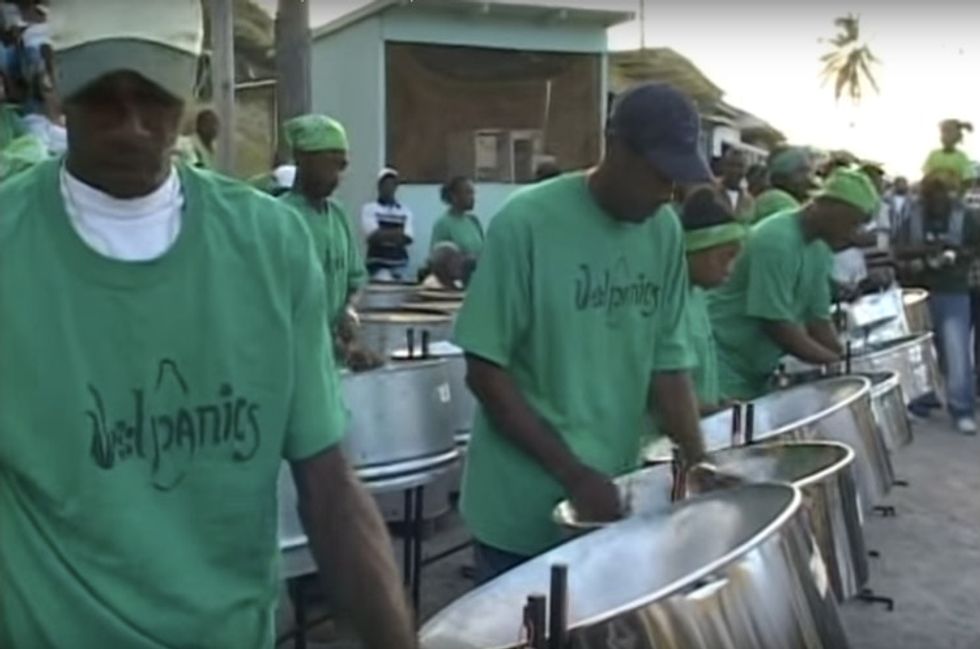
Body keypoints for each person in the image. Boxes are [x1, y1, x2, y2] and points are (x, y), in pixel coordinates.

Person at [0, 1, 416, 647]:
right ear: (54, 74)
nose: (131, 125)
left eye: (153, 95)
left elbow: (329, 485)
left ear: (194, 81)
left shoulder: (269, 246)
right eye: (102, 96)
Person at [455, 82, 713, 583]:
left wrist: (701, 466)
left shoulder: (664, 231)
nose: (667, 193)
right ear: (614, 146)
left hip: (607, 503)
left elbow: (668, 365)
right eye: (659, 175)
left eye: (676, 180)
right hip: (522, 509)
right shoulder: (526, 223)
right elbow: (485, 370)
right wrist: (571, 472)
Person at [709, 168, 880, 400]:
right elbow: (776, 324)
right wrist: (834, 362)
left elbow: (818, 320)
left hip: (754, 369)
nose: (853, 234)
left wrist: (848, 359)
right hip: (721, 362)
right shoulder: (776, 241)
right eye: (851, 223)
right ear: (829, 208)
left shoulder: (820, 249)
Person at [893, 175, 979, 434]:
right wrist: (928, 250)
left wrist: (956, 253)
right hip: (918, 290)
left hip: (954, 289)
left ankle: (962, 409)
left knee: (956, 350)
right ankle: (923, 401)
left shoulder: (965, 216)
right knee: (919, 352)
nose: (936, 202)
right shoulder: (912, 216)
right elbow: (898, 250)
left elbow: (976, 246)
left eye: (941, 196)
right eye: (930, 197)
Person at [279, 114, 368, 334]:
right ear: (301, 159)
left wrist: (349, 310)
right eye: (328, 165)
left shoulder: (338, 215)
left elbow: (356, 280)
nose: (335, 176)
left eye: (341, 166)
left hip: (333, 350)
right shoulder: (278, 217)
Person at [679, 187, 745, 412]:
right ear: (697, 249)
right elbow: (661, 389)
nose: (731, 269)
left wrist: (720, 402)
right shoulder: (665, 302)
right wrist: (710, 412)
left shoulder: (698, 295)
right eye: (726, 257)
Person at [361, 167, 414, 281]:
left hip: (401, 265)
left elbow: (408, 238)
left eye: (392, 184)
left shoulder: (405, 211)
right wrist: (397, 233)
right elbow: (373, 236)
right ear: (379, 186)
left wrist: (384, 233)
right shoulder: (369, 209)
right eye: (385, 184)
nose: (389, 187)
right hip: (377, 265)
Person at [751, 146, 815, 223]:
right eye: (800, 172)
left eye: (809, 172)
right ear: (779, 178)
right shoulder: (775, 199)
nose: (808, 178)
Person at [431, 175, 484, 259]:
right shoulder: (443, 224)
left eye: (473, 193)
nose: (472, 197)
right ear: (454, 196)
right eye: (468, 193)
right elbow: (437, 257)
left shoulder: (473, 221)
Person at [923, 119, 975, 192]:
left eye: (949, 133)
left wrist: (952, 179)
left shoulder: (962, 157)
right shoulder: (933, 154)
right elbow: (927, 175)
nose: (946, 136)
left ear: (958, 137)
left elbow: (967, 180)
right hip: (934, 193)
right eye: (944, 133)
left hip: (954, 193)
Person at [716, 147, 754, 222]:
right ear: (723, 166)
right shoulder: (711, 193)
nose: (735, 170)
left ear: (746, 169)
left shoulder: (748, 201)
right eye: (731, 165)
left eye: (740, 166)